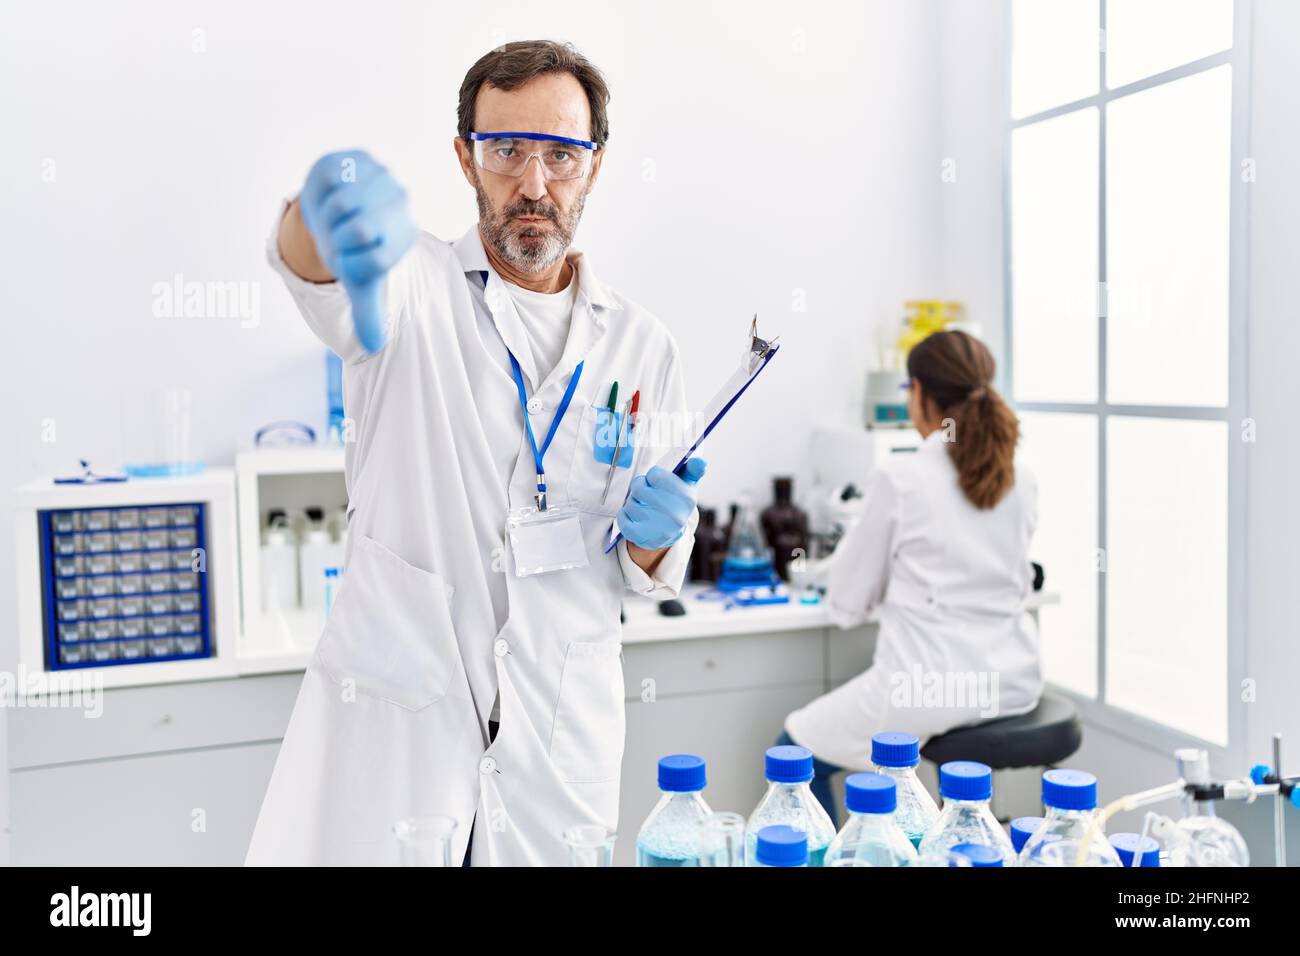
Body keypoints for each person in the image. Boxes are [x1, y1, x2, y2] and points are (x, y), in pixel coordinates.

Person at [246, 40, 707, 866]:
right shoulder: (410, 285)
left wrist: (662, 533)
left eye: (562, 154)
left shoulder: (643, 346)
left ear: (595, 166)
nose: (534, 185)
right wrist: (321, 206)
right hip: (400, 748)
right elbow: (317, 267)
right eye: (506, 152)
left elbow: (644, 564)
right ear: (466, 158)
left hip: (556, 758)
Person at [780, 330, 1041, 824]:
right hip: (1012, 681)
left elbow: (846, 604)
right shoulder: (1022, 478)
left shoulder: (902, 479)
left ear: (918, 393)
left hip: (928, 690)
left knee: (792, 751)